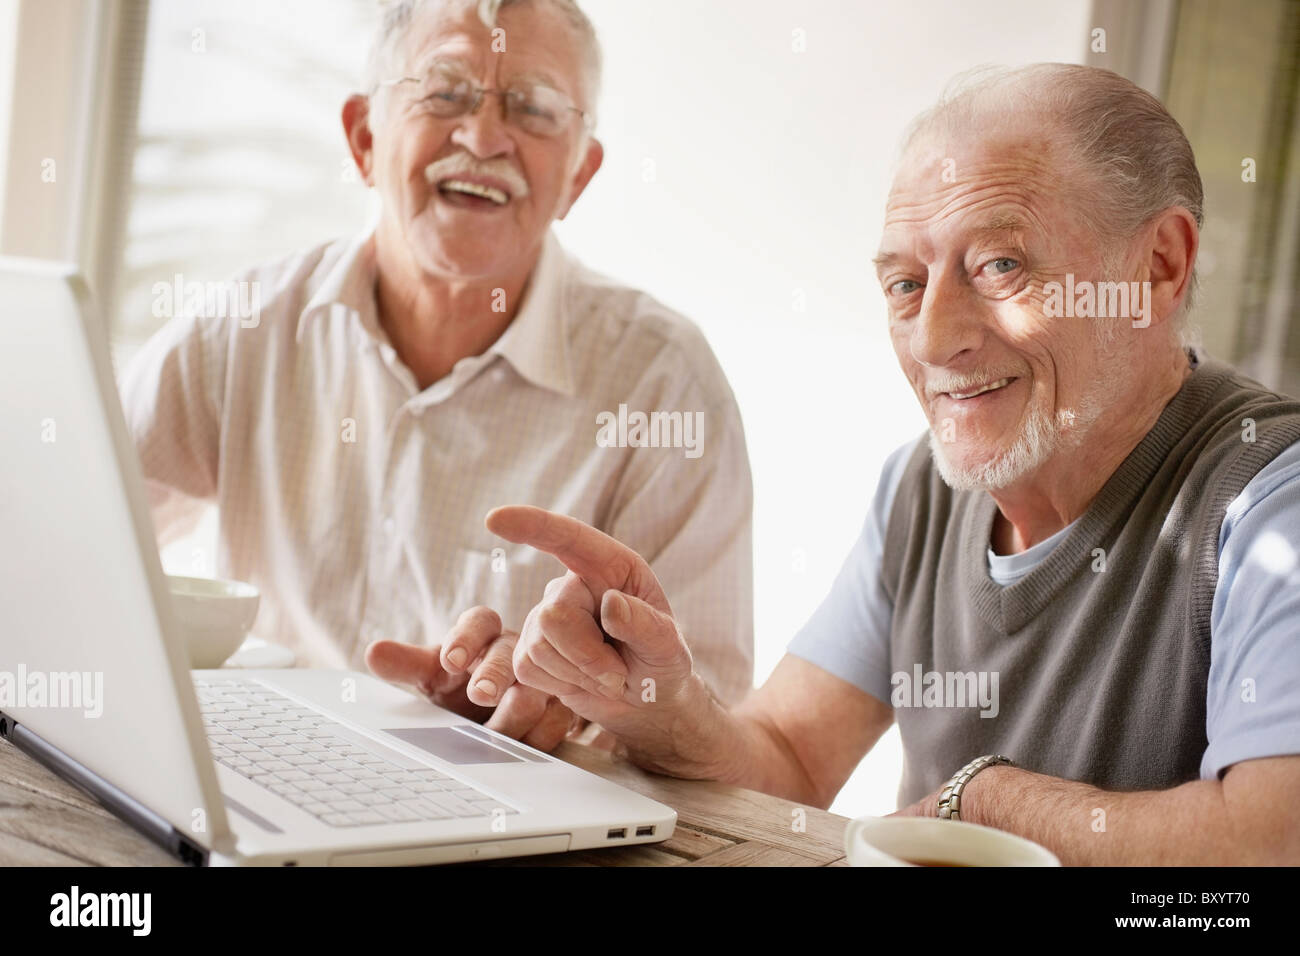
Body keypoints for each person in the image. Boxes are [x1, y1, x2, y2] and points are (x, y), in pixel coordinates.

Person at [479, 64, 1300, 864]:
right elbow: (789, 760)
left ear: (1158, 265)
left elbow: (1272, 839)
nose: (936, 338)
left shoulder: (1273, 497)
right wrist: (647, 700)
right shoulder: (921, 487)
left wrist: (980, 802)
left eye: (1001, 265)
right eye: (906, 284)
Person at [120, 0, 754, 753]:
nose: (484, 138)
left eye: (534, 108)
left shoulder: (666, 385)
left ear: (578, 175)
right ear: (364, 139)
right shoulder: (242, 328)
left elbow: (700, 727)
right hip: (260, 773)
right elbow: (72, 543)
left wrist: (570, 705)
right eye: (444, 93)